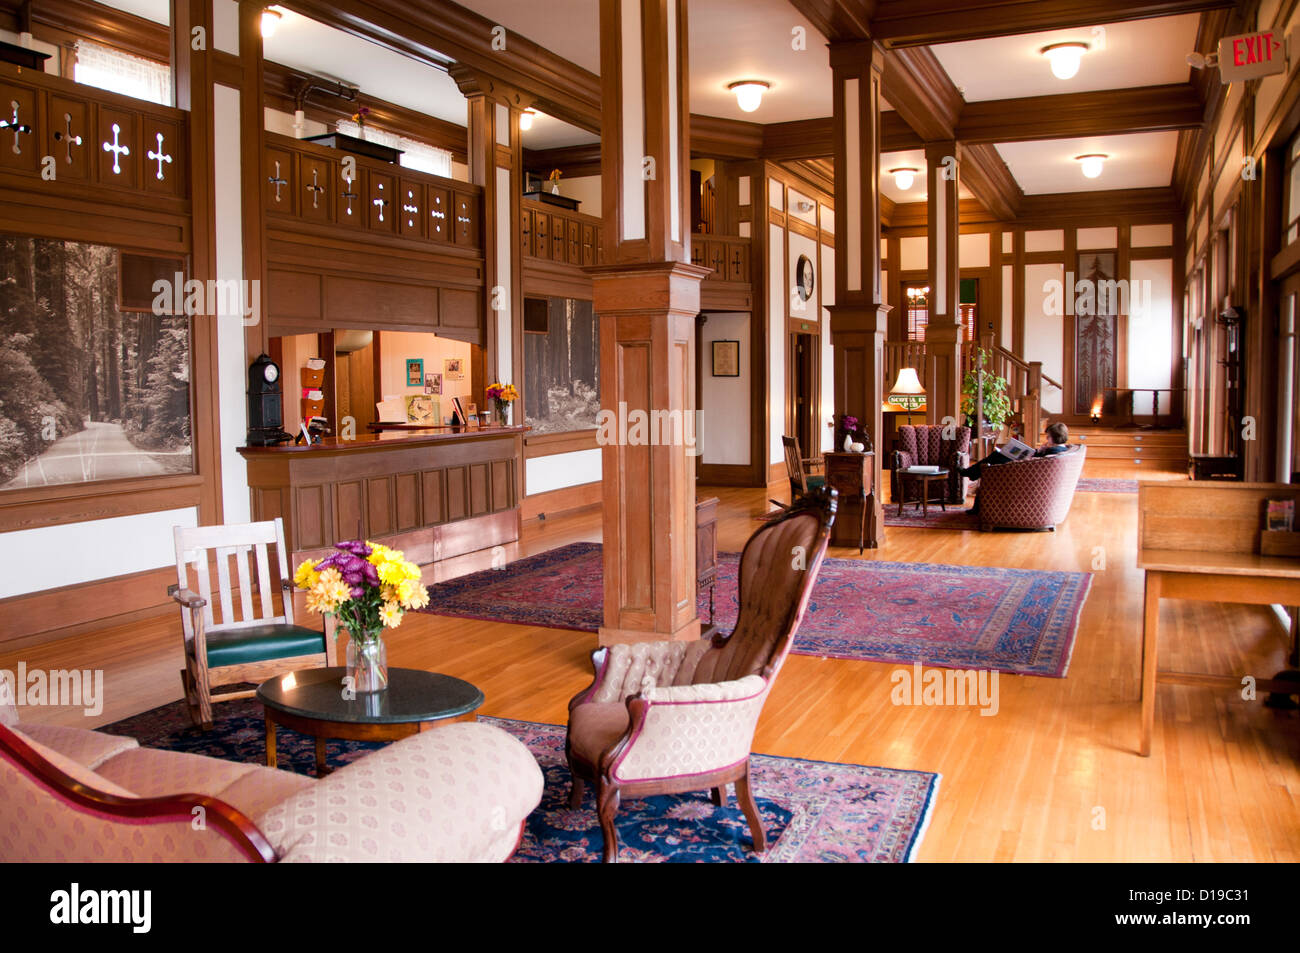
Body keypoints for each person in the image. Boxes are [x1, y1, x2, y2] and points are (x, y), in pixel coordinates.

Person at [959, 421, 1072, 481]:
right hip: (1027, 468)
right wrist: (1041, 450)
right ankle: (971, 473)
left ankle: (969, 473)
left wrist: (1040, 452)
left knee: (996, 456)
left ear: (1054, 437)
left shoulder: (1054, 451)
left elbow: (1039, 463)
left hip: (1025, 471)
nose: (1047, 439)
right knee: (997, 456)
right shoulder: (1061, 449)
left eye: (1048, 437)